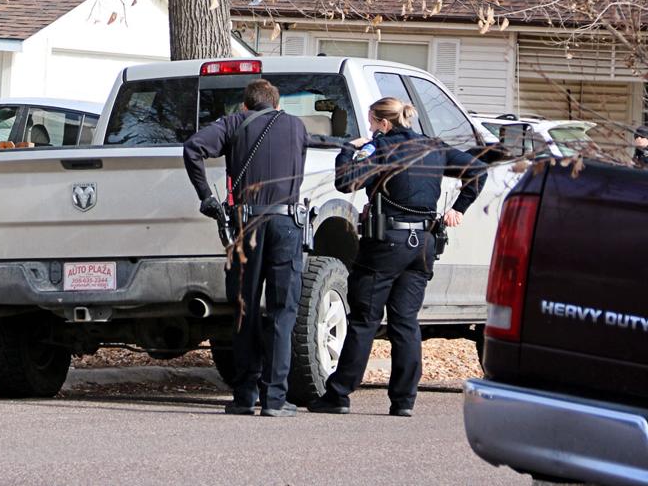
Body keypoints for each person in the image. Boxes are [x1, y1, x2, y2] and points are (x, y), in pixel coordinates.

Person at [308, 97, 486, 417]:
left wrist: (350, 149)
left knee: (365, 320)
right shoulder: (433, 147)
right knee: (405, 321)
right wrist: (459, 208)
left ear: (384, 123)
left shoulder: (380, 148)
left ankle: (339, 394)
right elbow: (478, 169)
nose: (370, 128)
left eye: (372, 122)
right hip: (423, 245)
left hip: (386, 243)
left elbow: (346, 180)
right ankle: (404, 400)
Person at [183, 79, 308, 417]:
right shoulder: (296, 126)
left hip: (246, 224)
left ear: (245, 105)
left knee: (244, 308)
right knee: (283, 311)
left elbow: (193, 148)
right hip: (287, 223)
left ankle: (244, 395)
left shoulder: (236, 123)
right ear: (277, 104)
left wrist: (206, 197)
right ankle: (275, 400)